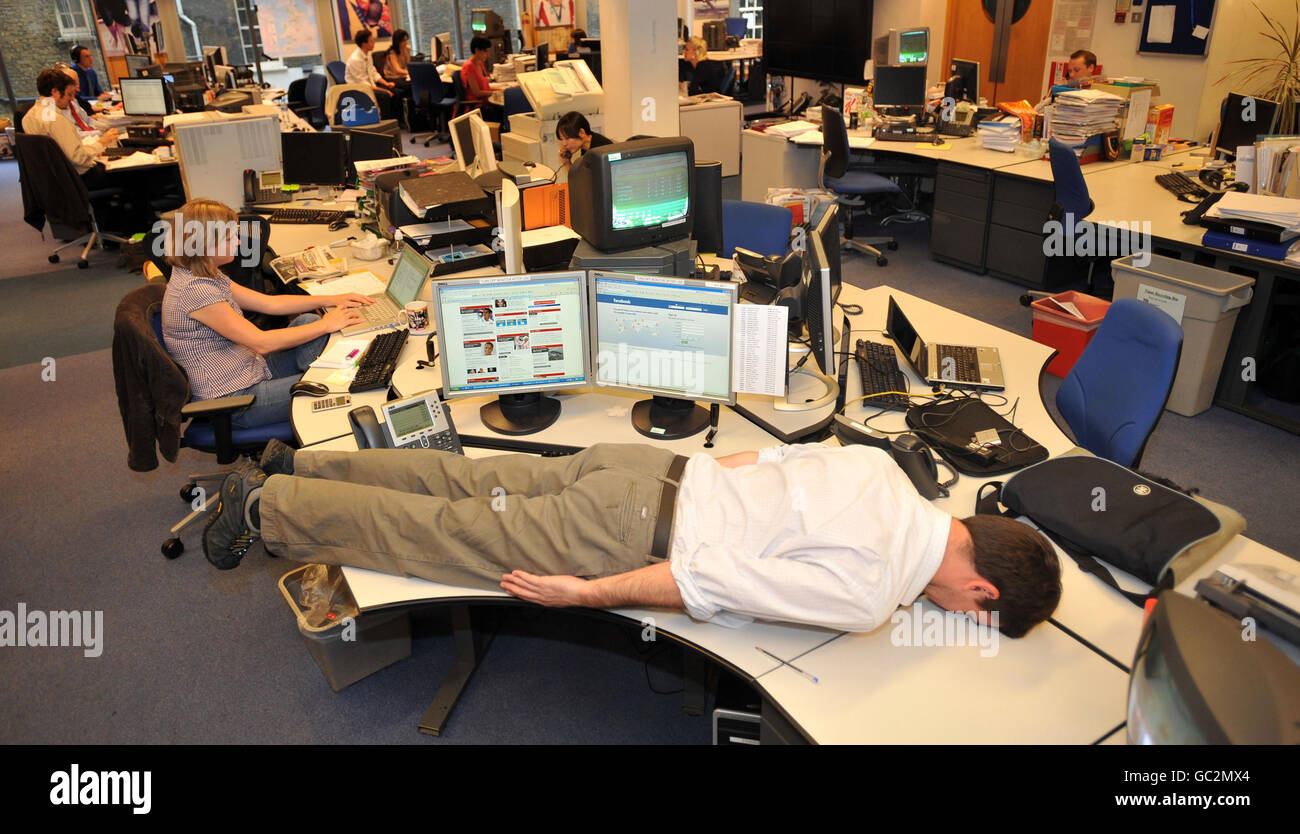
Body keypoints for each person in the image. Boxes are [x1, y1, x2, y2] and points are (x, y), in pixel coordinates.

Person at [203, 440, 1061, 638]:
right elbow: (705, 580)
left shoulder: (886, 471)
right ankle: (263, 509)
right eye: (973, 617)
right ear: (982, 589)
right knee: (440, 534)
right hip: (626, 529)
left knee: (462, 478)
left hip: (643, 468)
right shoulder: (874, 594)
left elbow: (756, 454)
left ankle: (303, 463)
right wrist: (590, 591)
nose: (956, 616)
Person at [160, 198, 375, 429]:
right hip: (236, 399)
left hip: (249, 369)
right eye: (230, 237)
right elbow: (262, 343)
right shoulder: (196, 291)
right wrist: (327, 324)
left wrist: (332, 299)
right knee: (335, 383)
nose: (239, 242)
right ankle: (326, 395)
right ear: (205, 244)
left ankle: (319, 378)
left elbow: (268, 304)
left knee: (308, 320)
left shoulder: (202, 272)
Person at [22, 69, 119, 189]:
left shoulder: (27, 117)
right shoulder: (57, 120)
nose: (72, 99)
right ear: (55, 92)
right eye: (69, 94)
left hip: (54, 182)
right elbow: (78, 157)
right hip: (77, 180)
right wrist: (102, 142)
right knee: (133, 174)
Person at [345, 29, 397, 119]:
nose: (374, 43)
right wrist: (384, 90)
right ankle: (386, 122)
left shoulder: (367, 55)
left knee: (395, 91)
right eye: (371, 41)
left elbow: (373, 73)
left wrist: (386, 83)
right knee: (385, 95)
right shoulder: (355, 60)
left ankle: (396, 121)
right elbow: (364, 84)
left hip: (369, 86)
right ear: (364, 44)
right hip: (359, 89)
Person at [460, 35, 504, 124]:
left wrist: (501, 90)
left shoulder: (480, 64)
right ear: (477, 50)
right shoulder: (468, 67)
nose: (487, 54)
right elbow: (477, 93)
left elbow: (486, 87)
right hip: (478, 106)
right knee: (505, 111)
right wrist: (495, 92)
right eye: (485, 51)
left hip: (486, 102)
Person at [383, 28, 413, 125]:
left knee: (413, 84)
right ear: (398, 41)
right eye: (403, 40)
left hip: (403, 75)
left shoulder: (407, 49)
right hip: (392, 76)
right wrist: (409, 72)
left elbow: (408, 64)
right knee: (409, 86)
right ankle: (405, 117)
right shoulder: (392, 52)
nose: (405, 43)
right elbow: (397, 69)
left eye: (406, 40)